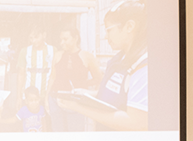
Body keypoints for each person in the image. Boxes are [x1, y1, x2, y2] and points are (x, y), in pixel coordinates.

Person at [56, 1, 147, 131]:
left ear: (129, 26)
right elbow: (115, 95)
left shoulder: (143, 66)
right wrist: (88, 94)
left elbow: (135, 122)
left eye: (109, 30)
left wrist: (77, 106)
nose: (105, 36)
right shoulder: (119, 60)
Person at [47, 27, 101, 132]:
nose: (61, 42)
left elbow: (98, 79)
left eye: (65, 39)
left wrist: (82, 84)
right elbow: (52, 77)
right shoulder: (57, 55)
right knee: (58, 132)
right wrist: (46, 98)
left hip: (75, 101)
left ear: (75, 38)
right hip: (55, 99)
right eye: (60, 39)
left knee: (75, 133)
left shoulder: (87, 57)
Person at [15, 26, 54, 110]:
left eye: (36, 37)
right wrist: (18, 97)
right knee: (29, 121)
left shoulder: (53, 50)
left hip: (47, 97)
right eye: (31, 38)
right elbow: (21, 74)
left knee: (45, 122)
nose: (33, 41)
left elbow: (54, 75)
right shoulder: (24, 51)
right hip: (29, 98)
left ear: (44, 35)